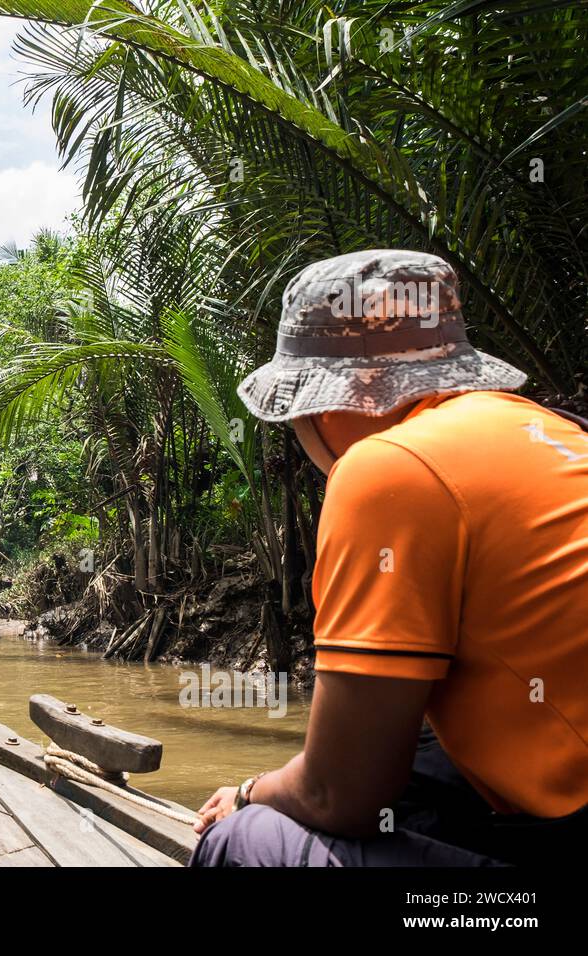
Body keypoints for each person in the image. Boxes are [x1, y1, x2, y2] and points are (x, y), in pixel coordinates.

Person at [191, 250, 588, 867]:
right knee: (424, 752)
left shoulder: (387, 469)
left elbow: (339, 795)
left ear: (330, 401)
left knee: (236, 845)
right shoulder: (558, 431)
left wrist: (248, 794)